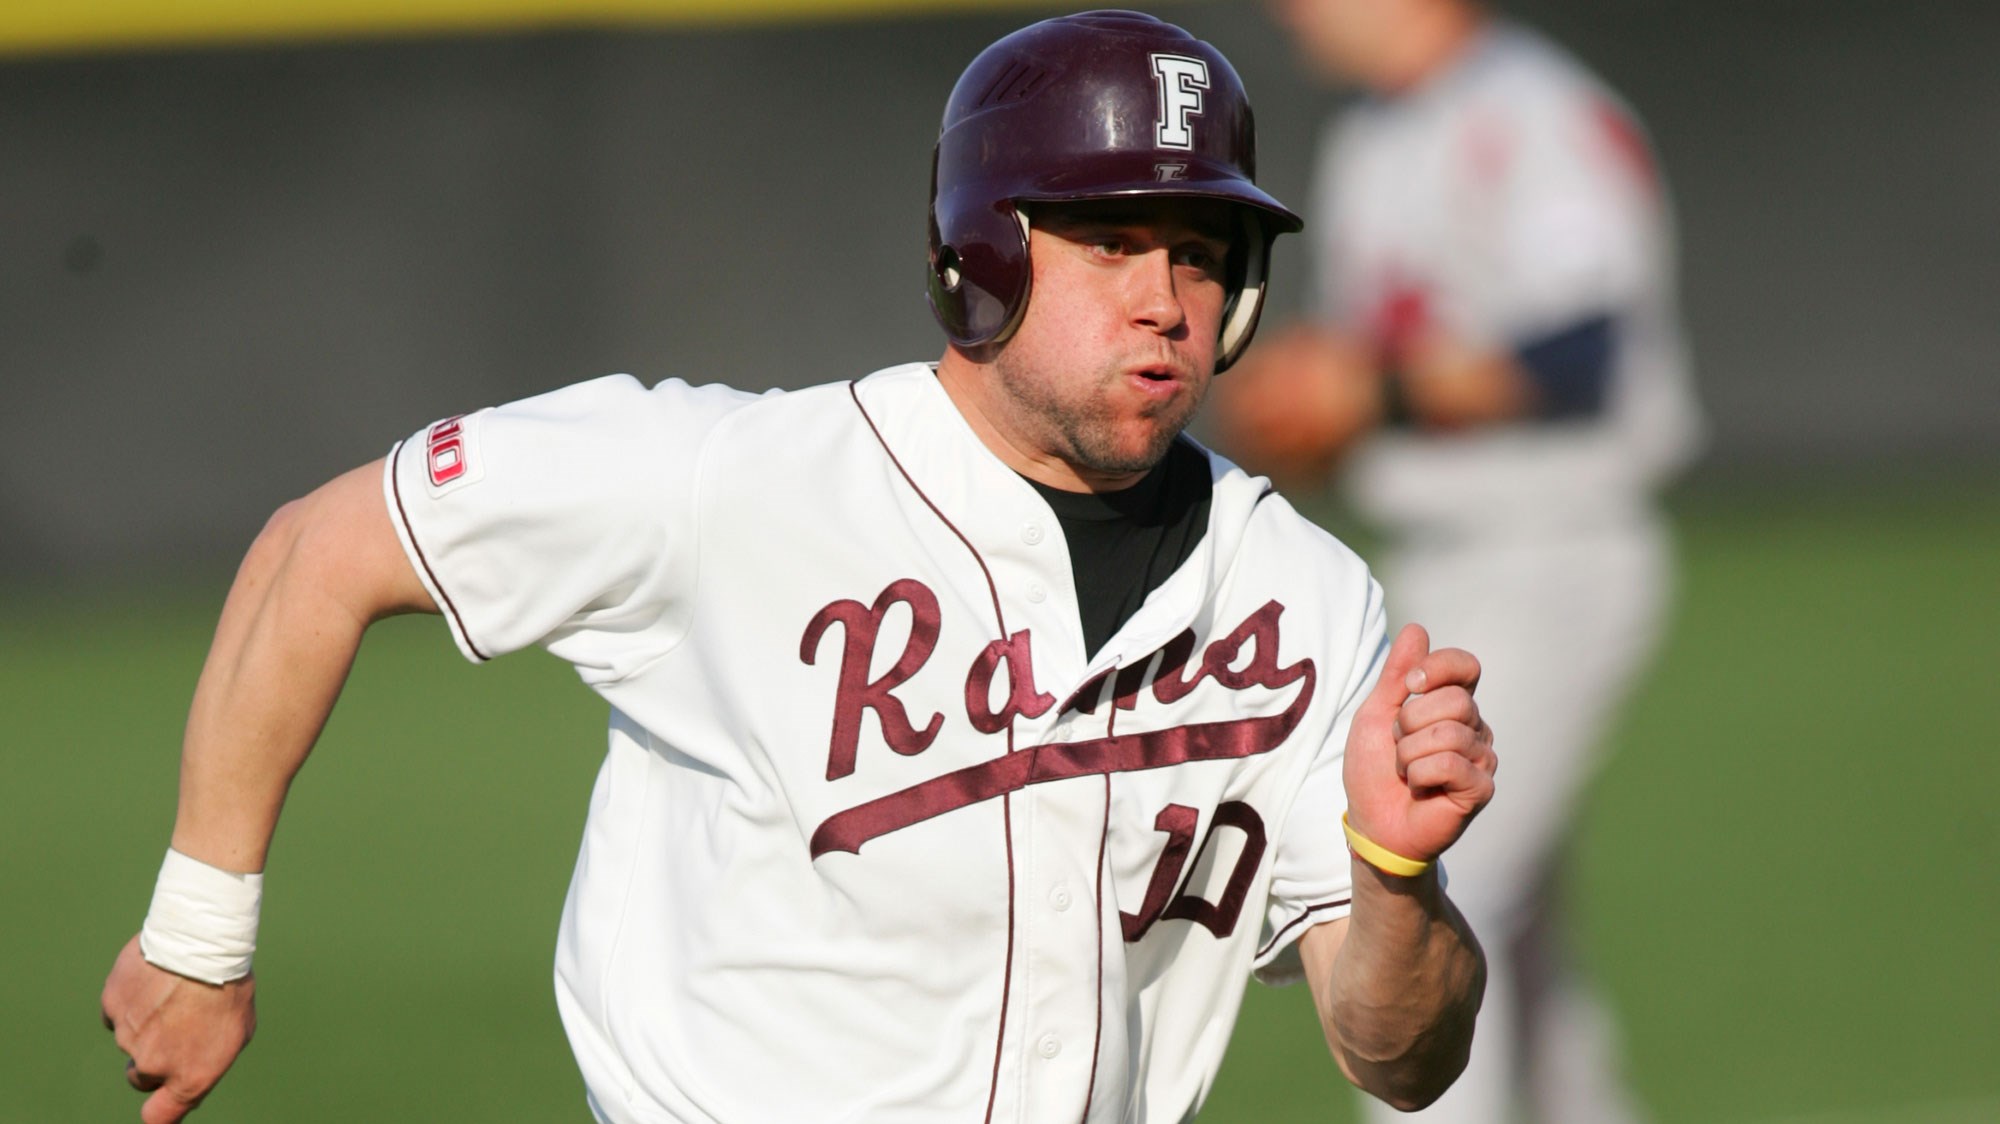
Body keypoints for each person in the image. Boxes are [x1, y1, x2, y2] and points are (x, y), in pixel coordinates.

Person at [100, 11, 1499, 1124]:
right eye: (1113, 240)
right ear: (984, 255)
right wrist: (198, 933)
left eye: (1201, 253)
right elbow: (323, 548)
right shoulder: (728, 483)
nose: (1165, 300)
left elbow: (1399, 1061)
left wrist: (1391, 875)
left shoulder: (1300, 596)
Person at [1211, 2, 1705, 1122]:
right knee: (1512, 926)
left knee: (1416, 900)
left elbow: (1581, 352)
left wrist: (1369, 391)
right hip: (1441, 558)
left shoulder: (1531, 114)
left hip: (1549, 549)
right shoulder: (1376, 135)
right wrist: (1322, 410)